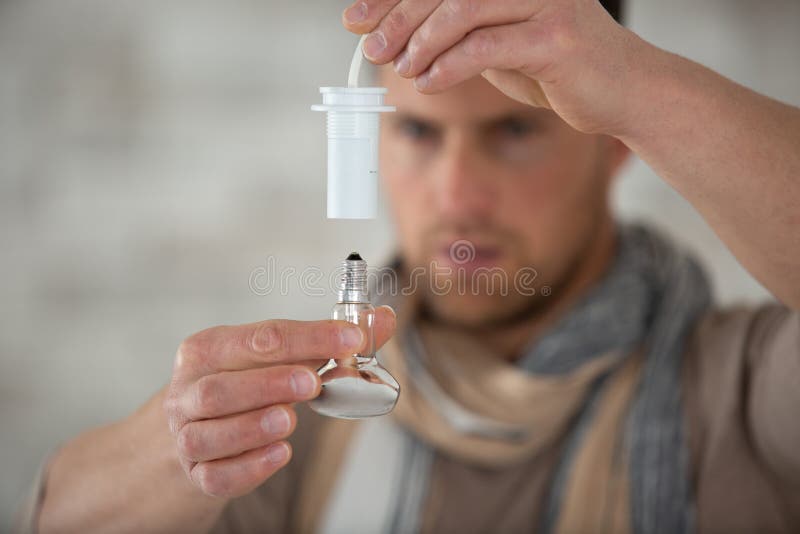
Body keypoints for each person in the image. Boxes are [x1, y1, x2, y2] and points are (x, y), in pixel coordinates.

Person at [19, 0, 800, 532]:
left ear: (615, 143)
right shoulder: (312, 415)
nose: (457, 196)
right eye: (420, 133)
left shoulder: (743, 395)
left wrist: (642, 83)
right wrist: (185, 442)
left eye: (514, 132)